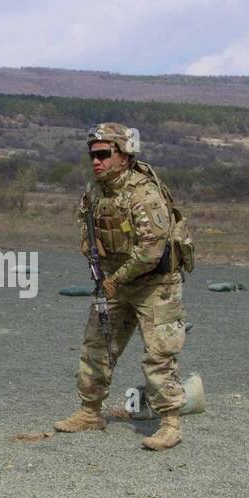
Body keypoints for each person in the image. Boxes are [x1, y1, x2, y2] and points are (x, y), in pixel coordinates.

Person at [54, 123, 192, 450]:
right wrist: (90, 247)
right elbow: (87, 222)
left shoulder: (144, 193)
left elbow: (151, 250)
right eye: (92, 155)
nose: (96, 161)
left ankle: (170, 424)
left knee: (159, 354)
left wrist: (115, 280)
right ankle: (90, 411)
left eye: (104, 154)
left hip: (154, 284)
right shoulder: (97, 189)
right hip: (115, 281)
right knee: (96, 346)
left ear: (124, 155)